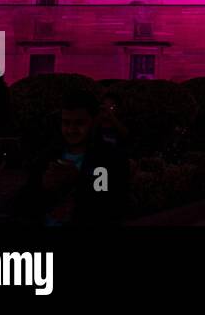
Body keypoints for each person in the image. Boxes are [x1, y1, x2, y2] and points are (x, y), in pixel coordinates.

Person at [17, 90, 130, 226]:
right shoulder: (48, 155)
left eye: (79, 123)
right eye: (66, 123)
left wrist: (78, 180)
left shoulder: (109, 158)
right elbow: (25, 201)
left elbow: (113, 204)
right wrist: (42, 186)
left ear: (94, 122)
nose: (71, 129)